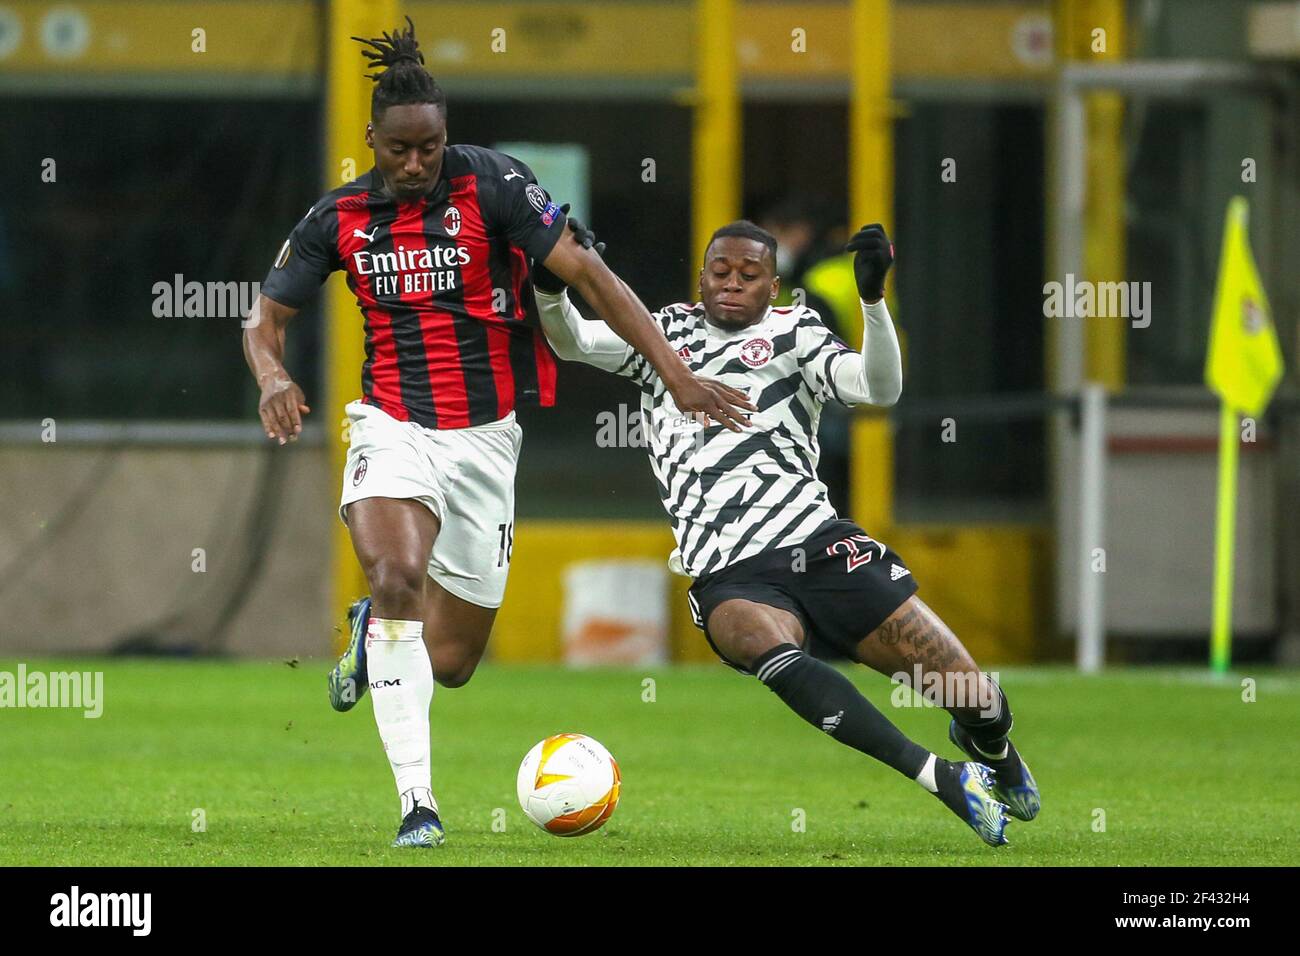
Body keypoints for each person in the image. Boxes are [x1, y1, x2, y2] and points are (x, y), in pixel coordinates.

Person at [241, 18, 752, 849]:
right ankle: (418, 805)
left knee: (449, 663)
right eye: (400, 150)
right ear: (370, 139)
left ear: (447, 137)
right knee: (398, 574)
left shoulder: (497, 187)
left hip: (485, 441)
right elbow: (264, 320)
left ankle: (377, 633)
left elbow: (590, 275)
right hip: (390, 424)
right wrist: (272, 375)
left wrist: (676, 375)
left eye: (430, 149)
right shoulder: (337, 218)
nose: (415, 164)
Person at [532, 216, 1040, 846]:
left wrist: (874, 302)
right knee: (761, 642)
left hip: (820, 545)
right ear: (702, 278)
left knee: (971, 693)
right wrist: (549, 286)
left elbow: (879, 388)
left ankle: (992, 745)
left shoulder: (794, 334)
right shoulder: (664, 333)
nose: (732, 284)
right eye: (720, 272)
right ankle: (939, 775)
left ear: (773, 286)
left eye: (749, 275)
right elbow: (574, 341)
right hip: (727, 571)